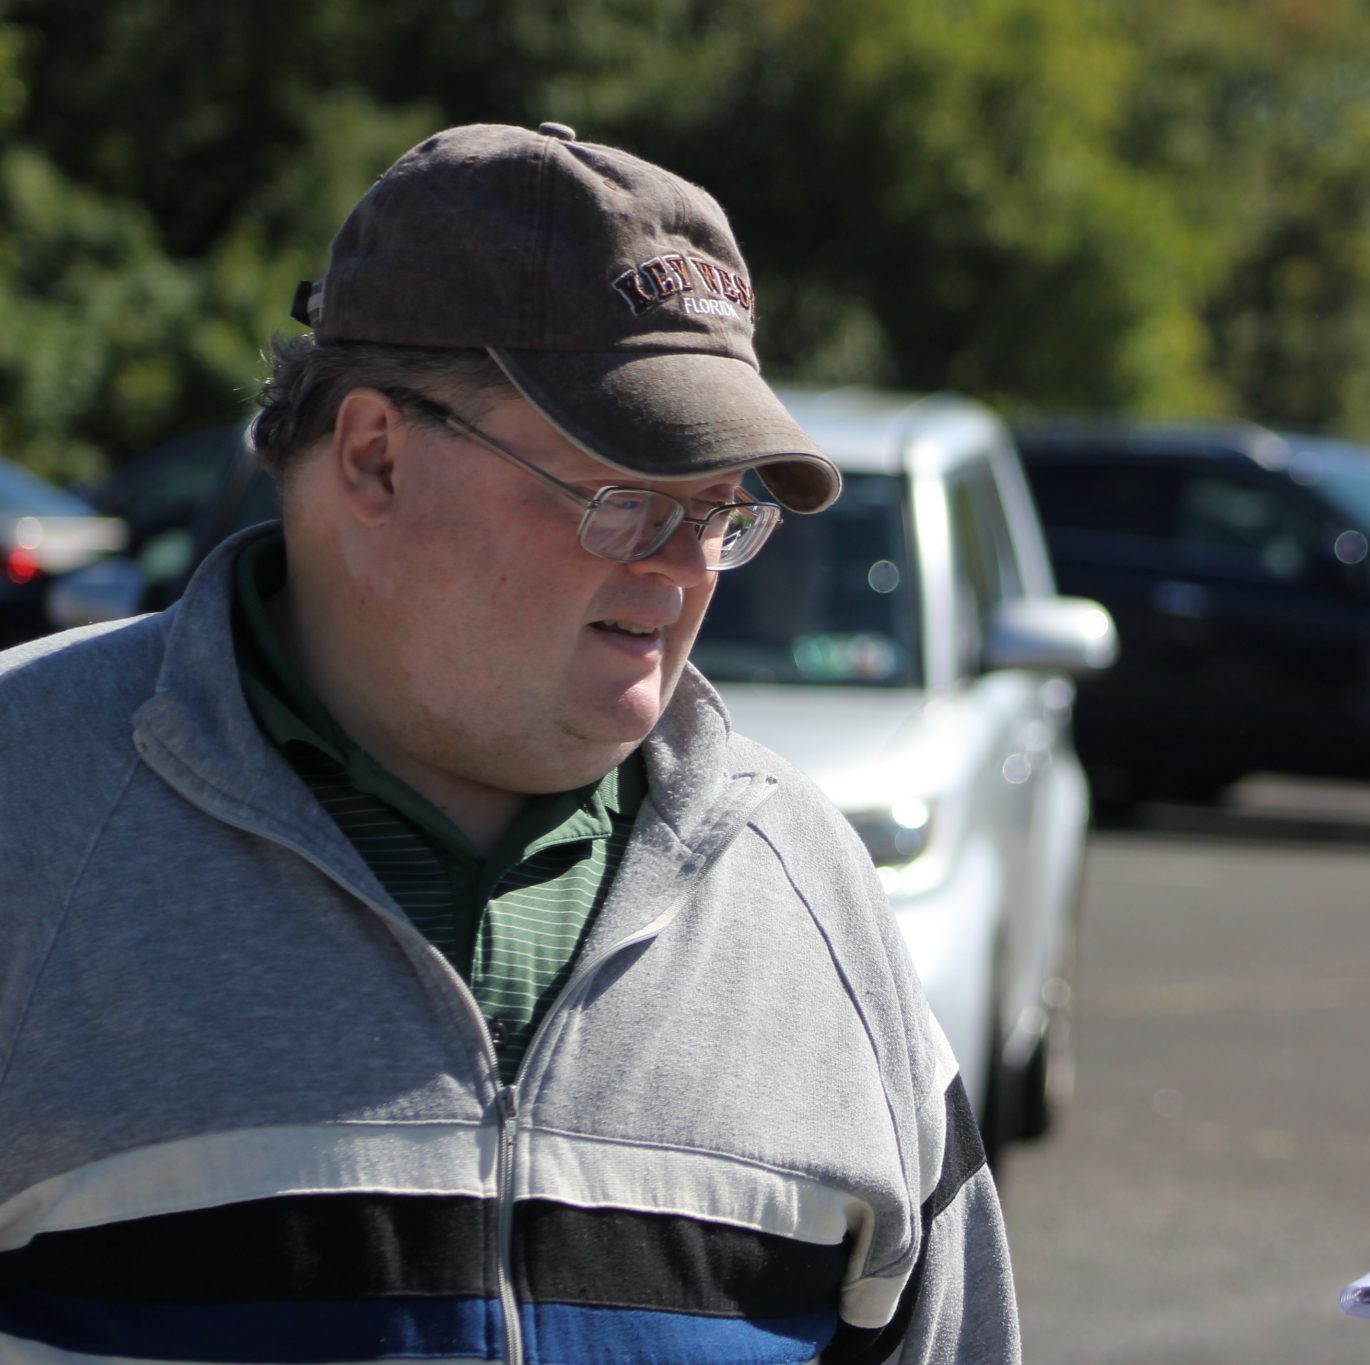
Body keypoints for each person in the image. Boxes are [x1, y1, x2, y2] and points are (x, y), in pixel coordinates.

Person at [0, 122, 1021, 1364]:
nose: (680, 567)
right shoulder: (29, 801)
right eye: (622, 493)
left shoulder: (806, 879)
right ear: (374, 454)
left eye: (717, 512)